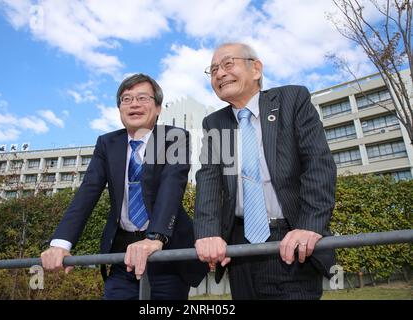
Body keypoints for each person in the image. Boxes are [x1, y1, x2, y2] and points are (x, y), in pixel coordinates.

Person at [41, 73, 208, 300]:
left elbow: (172, 185)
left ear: (158, 107)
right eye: (126, 99)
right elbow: (87, 191)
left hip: (166, 253)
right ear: (119, 108)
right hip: (122, 256)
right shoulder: (107, 143)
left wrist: (154, 238)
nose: (134, 104)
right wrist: (60, 243)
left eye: (142, 98)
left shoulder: (174, 137)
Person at [194, 43, 337, 300]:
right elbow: (209, 180)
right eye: (213, 69)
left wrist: (309, 225)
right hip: (239, 247)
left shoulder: (292, 100)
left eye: (228, 64)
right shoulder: (215, 123)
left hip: (291, 240)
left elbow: (318, 163)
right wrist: (207, 233)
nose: (219, 73)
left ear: (256, 68)